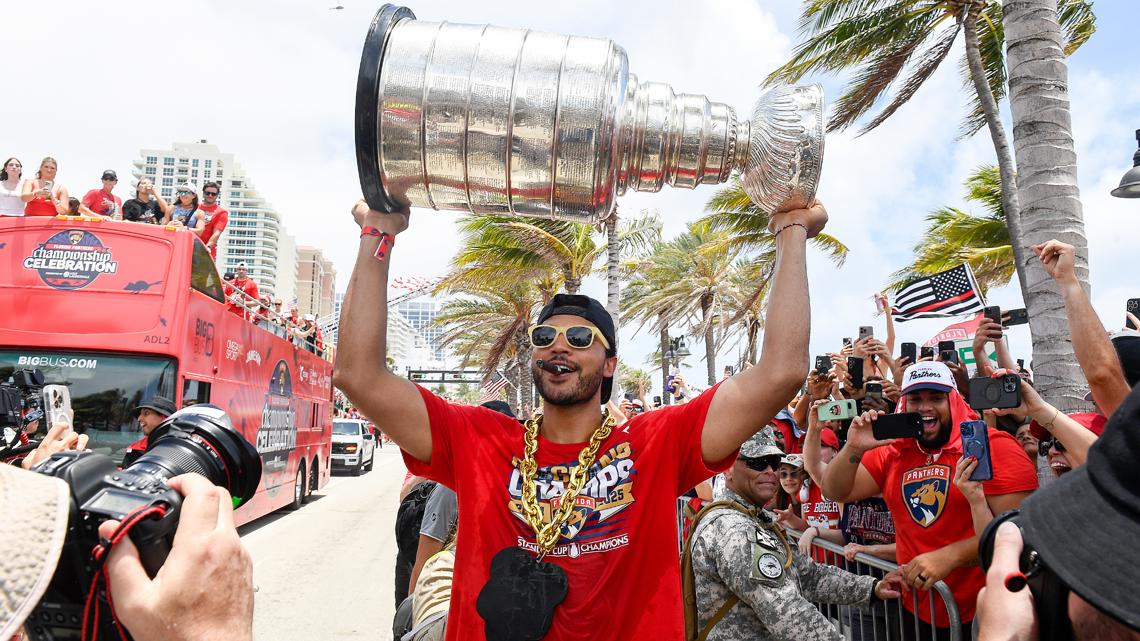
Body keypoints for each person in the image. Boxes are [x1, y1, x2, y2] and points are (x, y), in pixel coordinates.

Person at [335, 197, 827, 640]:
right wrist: (378, 230)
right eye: (545, 337)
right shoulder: (479, 439)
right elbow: (358, 375)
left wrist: (792, 231)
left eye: (579, 339)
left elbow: (781, 372)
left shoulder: (657, 442)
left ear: (609, 364)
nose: (559, 347)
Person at [820, 361, 1038, 639]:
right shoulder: (893, 450)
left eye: (936, 398)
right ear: (904, 404)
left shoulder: (995, 447)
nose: (925, 407)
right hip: (918, 610)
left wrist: (951, 556)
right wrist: (853, 447)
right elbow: (836, 491)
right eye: (915, 399)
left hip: (985, 611)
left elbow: (1018, 530)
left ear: (954, 401)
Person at [688, 427, 903, 640]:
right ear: (728, 469)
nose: (770, 471)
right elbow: (786, 613)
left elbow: (809, 575)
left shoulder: (758, 518)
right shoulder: (733, 528)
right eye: (757, 463)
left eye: (774, 463)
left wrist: (871, 587)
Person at [977, 384, 1140, 641]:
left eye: (1063, 443)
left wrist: (1002, 635)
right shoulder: (1045, 516)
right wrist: (976, 498)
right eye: (1048, 444)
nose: (1052, 451)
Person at [120, 396, 176, 467]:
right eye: (140, 414)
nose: (139, 419)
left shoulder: (181, 449)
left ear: (164, 418)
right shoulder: (134, 450)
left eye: (146, 413)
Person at [196, 181, 229, 258]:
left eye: (213, 194)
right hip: (188, 248)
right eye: (207, 193)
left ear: (217, 195)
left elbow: (216, 233)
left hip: (206, 252)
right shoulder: (194, 208)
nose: (210, 195)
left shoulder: (221, 212)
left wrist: (207, 247)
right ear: (203, 193)